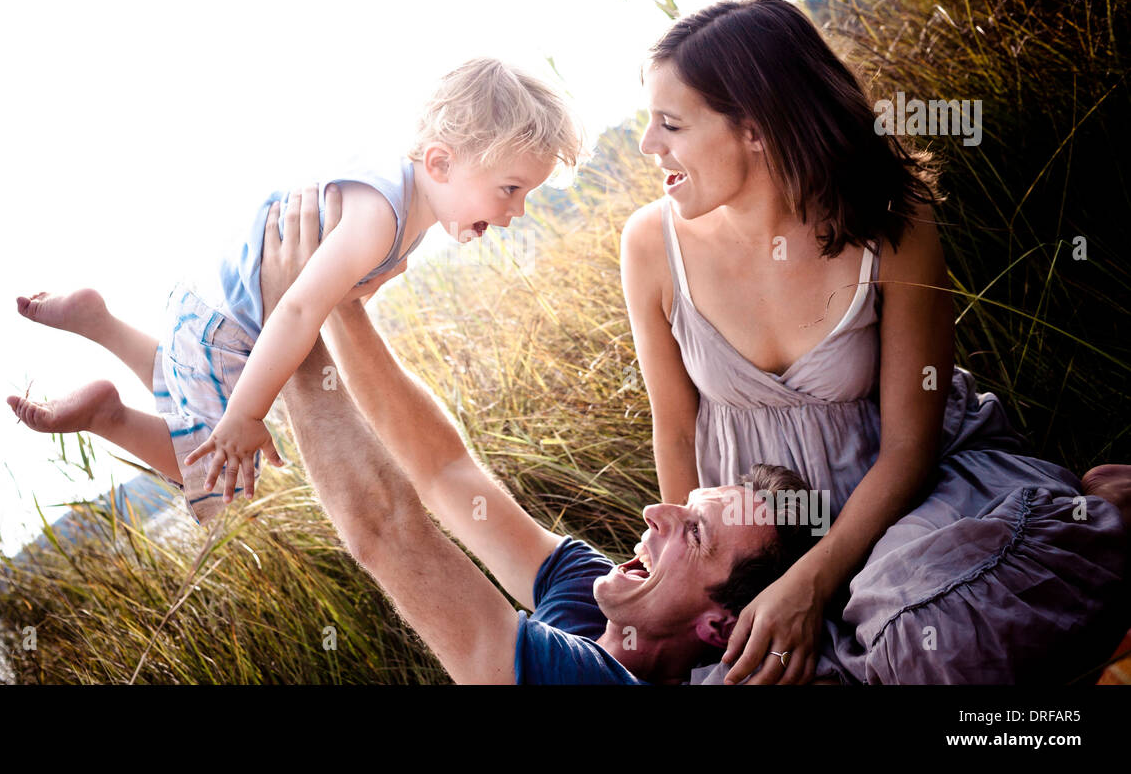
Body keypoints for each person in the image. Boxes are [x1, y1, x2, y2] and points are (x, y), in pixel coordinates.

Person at [621, 0, 1130, 684]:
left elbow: (909, 447)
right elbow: (677, 434)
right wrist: (698, 578)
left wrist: (812, 584)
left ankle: (1094, 511)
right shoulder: (651, 244)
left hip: (899, 503)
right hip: (756, 538)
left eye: (671, 124)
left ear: (757, 129)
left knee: (943, 637)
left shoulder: (892, 218)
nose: (649, 145)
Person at [262, 185, 823, 684]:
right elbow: (445, 472)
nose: (658, 511)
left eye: (695, 533)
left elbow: (385, 532)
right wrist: (335, 301)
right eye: (689, 507)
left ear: (718, 626)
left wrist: (289, 325)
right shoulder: (594, 594)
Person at [6, 58, 580, 524]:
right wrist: (248, 414)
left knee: (191, 412)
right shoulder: (382, 216)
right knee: (214, 475)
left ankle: (100, 323)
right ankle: (108, 416)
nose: (514, 213)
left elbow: (327, 291)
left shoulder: (406, 206)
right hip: (229, 327)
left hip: (212, 314)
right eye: (509, 189)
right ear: (441, 161)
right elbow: (302, 307)